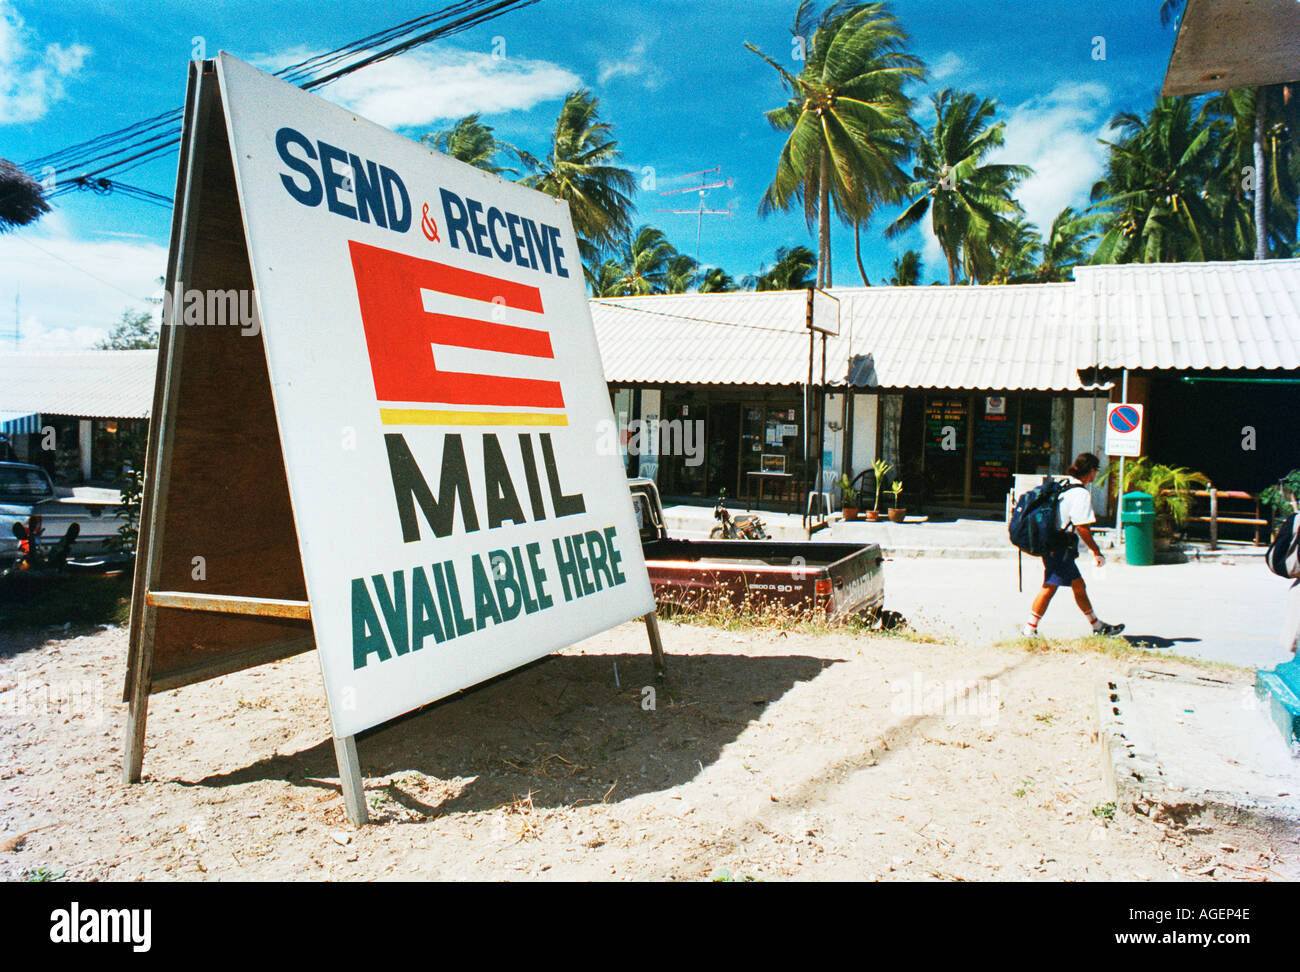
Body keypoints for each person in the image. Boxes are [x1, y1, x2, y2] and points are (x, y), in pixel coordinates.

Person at [1023, 453, 1125, 638]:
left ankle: (1097, 626)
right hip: (1059, 547)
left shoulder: (1063, 485)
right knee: (1049, 587)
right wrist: (1096, 551)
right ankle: (1029, 630)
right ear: (1091, 471)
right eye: (1095, 471)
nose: (1095, 475)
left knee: (1078, 586)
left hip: (1053, 544)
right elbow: (1083, 528)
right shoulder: (1080, 493)